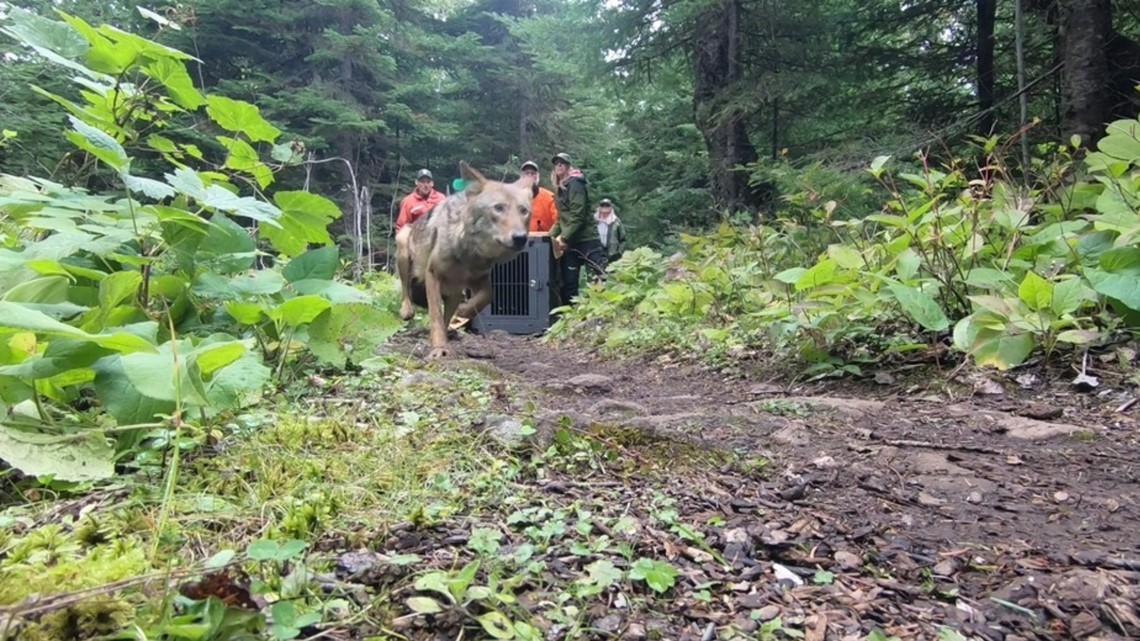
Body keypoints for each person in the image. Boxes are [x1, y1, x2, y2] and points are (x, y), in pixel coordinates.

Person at [549, 152, 605, 306]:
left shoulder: (575, 184)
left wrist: (563, 238)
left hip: (587, 239)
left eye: (562, 163)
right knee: (569, 283)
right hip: (571, 242)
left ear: (568, 167)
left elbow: (577, 215)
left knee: (598, 276)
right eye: (556, 163)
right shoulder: (559, 189)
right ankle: (571, 318)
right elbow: (561, 219)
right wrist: (547, 238)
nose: (559, 165)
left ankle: (600, 311)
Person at [394, 168, 446, 233]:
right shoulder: (408, 201)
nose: (425, 185)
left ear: (432, 183)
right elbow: (401, 227)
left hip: (437, 239)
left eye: (428, 182)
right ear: (416, 182)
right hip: (417, 239)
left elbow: (448, 221)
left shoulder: (441, 199)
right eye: (422, 182)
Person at [520, 161, 558, 233]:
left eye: (532, 173)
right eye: (527, 173)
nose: (530, 176)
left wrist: (550, 236)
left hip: (543, 241)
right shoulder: (514, 199)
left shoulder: (549, 198)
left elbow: (558, 221)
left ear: (537, 177)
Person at [595, 198, 627, 264]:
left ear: (611, 207)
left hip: (612, 256)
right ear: (600, 207)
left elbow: (623, 240)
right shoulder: (595, 221)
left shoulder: (616, 222)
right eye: (603, 206)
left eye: (607, 206)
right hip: (597, 254)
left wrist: (619, 252)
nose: (605, 207)